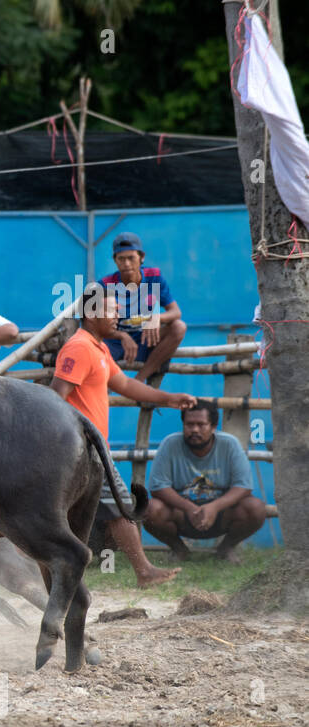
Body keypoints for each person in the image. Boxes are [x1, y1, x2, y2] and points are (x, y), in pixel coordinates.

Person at [49, 284, 195, 587]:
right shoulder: (79, 347)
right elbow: (55, 397)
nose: (118, 316)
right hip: (84, 446)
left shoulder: (98, 348)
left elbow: (126, 386)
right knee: (118, 503)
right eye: (112, 310)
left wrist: (167, 398)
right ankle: (143, 571)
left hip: (89, 445)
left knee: (87, 509)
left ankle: (60, 570)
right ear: (92, 314)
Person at [143, 401, 265, 564]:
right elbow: (157, 487)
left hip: (221, 514)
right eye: (189, 424)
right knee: (149, 509)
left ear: (213, 426)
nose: (194, 429)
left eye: (201, 425)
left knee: (255, 508)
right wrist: (189, 507)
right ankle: (179, 549)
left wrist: (214, 507)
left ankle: (226, 548)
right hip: (181, 514)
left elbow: (243, 486)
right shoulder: (170, 443)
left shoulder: (229, 444)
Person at [98, 232, 186, 381]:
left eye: (131, 258)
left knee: (178, 327)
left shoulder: (154, 277)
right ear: (115, 261)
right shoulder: (105, 284)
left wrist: (156, 318)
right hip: (114, 343)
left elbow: (176, 312)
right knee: (95, 350)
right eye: (121, 259)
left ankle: (140, 379)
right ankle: (104, 390)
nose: (126, 264)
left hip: (146, 339)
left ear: (141, 257)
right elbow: (93, 325)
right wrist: (122, 335)